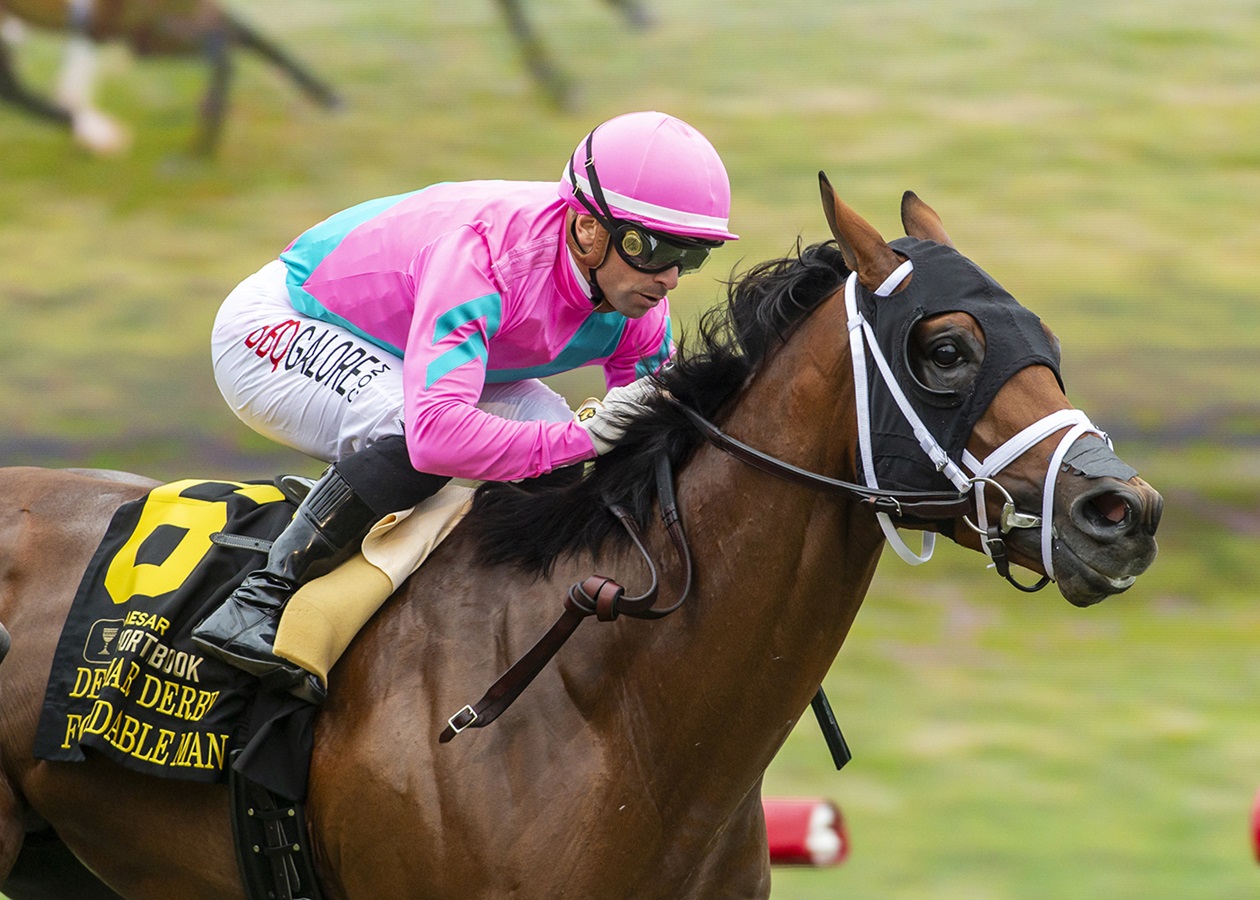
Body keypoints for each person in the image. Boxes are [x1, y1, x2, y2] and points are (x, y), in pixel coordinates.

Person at [191, 110, 738, 699]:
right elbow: (435, 435)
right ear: (587, 230)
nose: (671, 279)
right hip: (282, 322)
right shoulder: (484, 258)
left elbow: (655, 439)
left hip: (420, 344)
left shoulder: (638, 300)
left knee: (554, 449)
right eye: (654, 249)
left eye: (692, 255)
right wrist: (588, 437)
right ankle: (260, 600)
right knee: (419, 433)